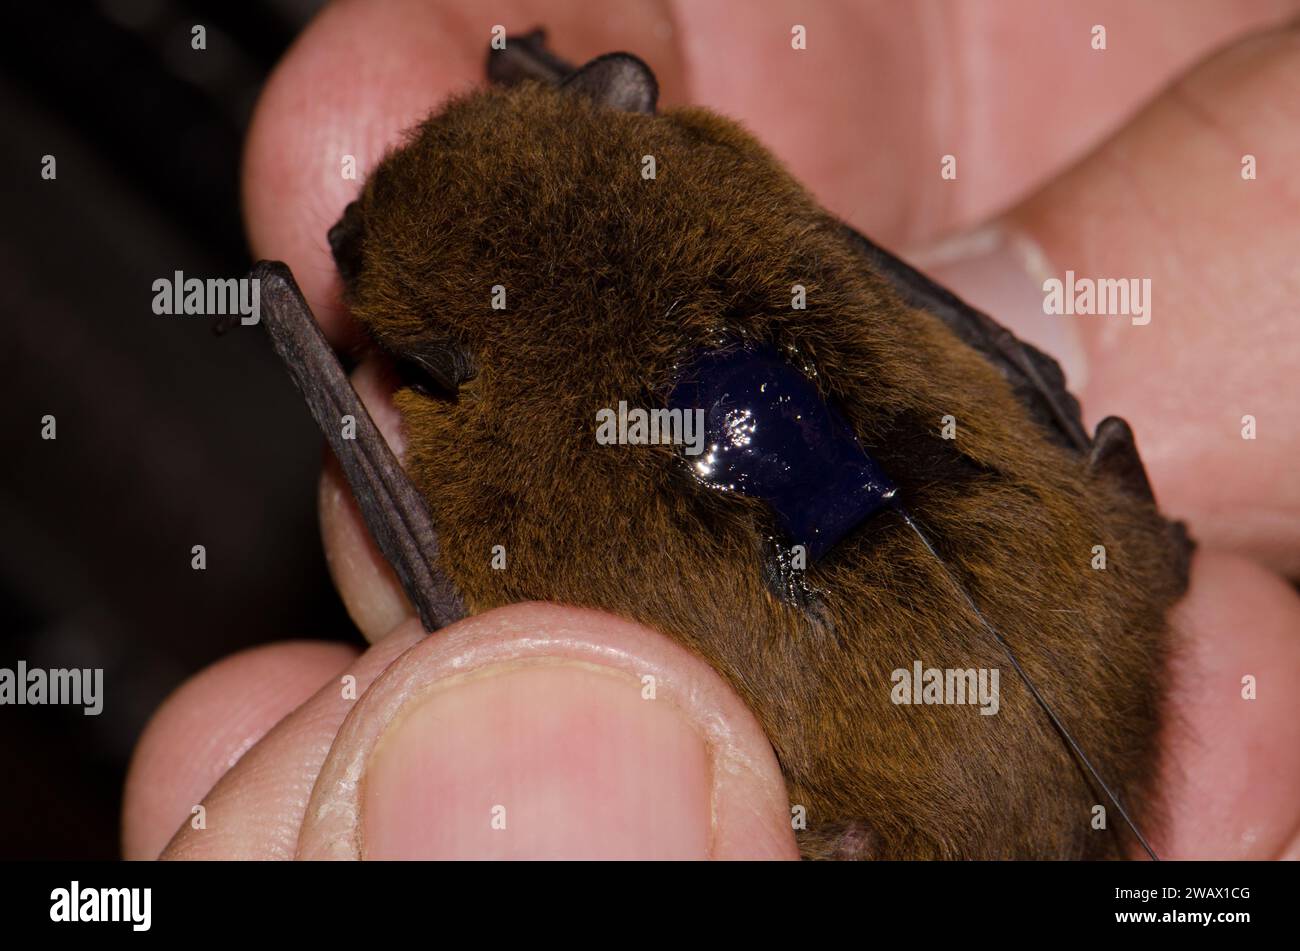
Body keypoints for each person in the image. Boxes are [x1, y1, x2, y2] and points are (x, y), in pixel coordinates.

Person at [124, 0, 1300, 860]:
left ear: (445, 364)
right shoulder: (723, 193)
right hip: (1093, 652)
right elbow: (1018, 368)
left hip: (904, 817)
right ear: (616, 110)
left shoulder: (502, 479)